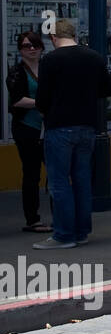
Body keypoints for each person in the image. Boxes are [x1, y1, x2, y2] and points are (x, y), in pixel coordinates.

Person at [34, 19, 111, 249]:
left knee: (59, 182)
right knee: (81, 180)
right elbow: (106, 90)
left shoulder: (50, 60)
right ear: (74, 35)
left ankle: (63, 235)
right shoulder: (94, 57)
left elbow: (42, 100)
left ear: (53, 38)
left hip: (59, 126)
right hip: (87, 126)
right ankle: (81, 231)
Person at [6, 30, 50, 232]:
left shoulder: (49, 69)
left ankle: (59, 216)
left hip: (50, 129)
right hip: (27, 128)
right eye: (26, 46)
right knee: (32, 174)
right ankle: (33, 219)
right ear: (20, 50)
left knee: (55, 172)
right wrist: (42, 104)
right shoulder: (17, 72)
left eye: (35, 45)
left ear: (41, 47)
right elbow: (17, 100)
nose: (31, 49)